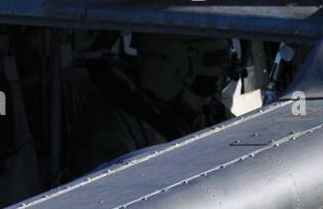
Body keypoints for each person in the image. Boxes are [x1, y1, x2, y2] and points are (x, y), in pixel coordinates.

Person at [64, 34, 237, 178]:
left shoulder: (208, 113)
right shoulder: (111, 128)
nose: (212, 96)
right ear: (167, 75)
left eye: (221, 84)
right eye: (205, 84)